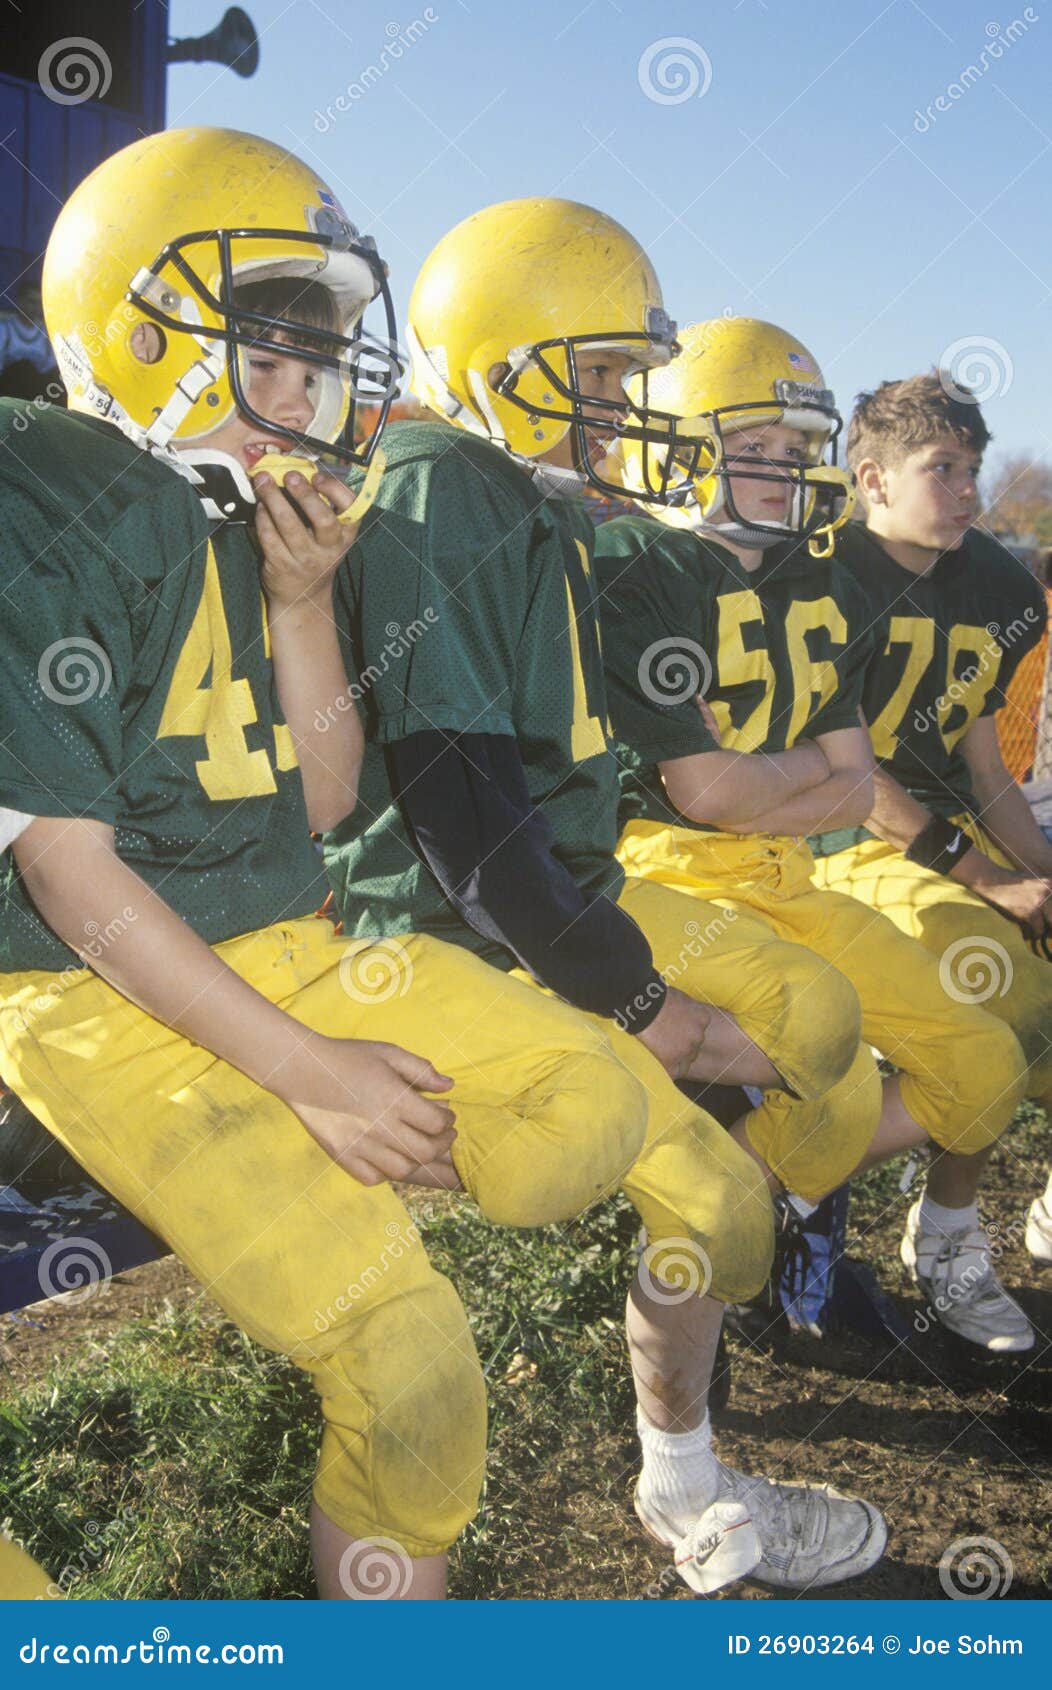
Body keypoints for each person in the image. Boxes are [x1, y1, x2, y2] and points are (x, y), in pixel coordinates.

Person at [0, 128, 654, 1602]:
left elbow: (327, 792)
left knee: (593, 1105)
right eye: (273, 356)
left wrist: (302, 601)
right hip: (79, 981)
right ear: (139, 326)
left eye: (323, 360)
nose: (307, 396)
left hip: (256, 934)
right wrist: (309, 1070)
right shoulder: (43, 487)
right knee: (412, 1354)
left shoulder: (248, 518)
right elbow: (73, 882)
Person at [324, 200, 887, 1593]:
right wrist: (644, 1001)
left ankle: (680, 1463)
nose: (620, 411)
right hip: (452, 933)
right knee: (701, 1186)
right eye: (593, 381)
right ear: (486, 358)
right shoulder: (440, 482)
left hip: (545, 902)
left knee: (752, 1143)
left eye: (624, 382)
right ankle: (676, 1481)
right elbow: (462, 816)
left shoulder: (526, 499)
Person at [592, 318, 1030, 1355]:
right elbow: (701, 799)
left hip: (785, 873)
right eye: (753, 449)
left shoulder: (809, 578)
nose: (780, 474)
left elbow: (843, 789)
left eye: (793, 452)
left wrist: (768, 784)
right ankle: (711, 1229)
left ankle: (746, 1193)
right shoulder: (636, 567)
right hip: (667, 875)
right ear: (675, 443)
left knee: (981, 1065)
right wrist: (796, 782)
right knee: (819, 1047)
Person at [805, 374, 1052, 1282]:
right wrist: (993, 886)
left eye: (974, 469)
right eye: (941, 468)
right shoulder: (818, 570)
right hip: (838, 837)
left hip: (945, 829)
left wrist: (1039, 869)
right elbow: (855, 782)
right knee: (1015, 997)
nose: (968, 492)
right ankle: (941, 1235)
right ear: (871, 480)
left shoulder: (990, 579)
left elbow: (986, 769)